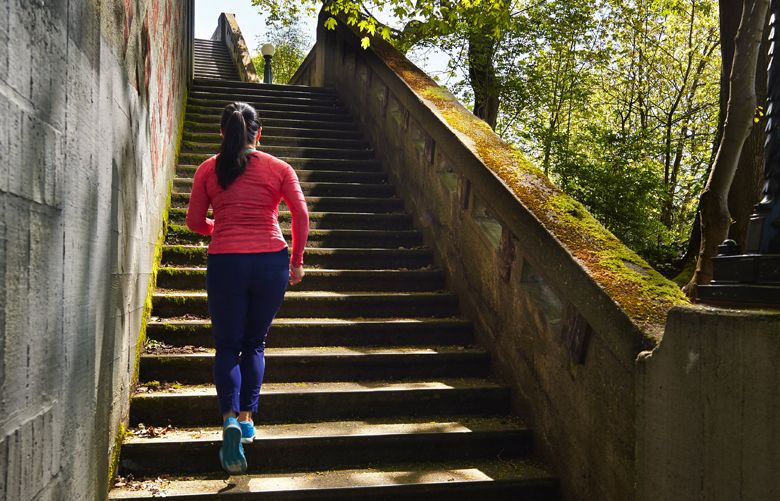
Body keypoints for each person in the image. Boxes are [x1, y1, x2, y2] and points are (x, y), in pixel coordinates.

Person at [185, 101, 309, 474]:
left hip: (225, 261)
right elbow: (301, 216)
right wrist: (297, 262)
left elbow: (194, 222)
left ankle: (228, 420)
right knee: (255, 342)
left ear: (223, 133)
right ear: (259, 132)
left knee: (227, 345)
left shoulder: (208, 168)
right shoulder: (279, 167)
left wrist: (219, 227)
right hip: (271, 261)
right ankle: (248, 417)